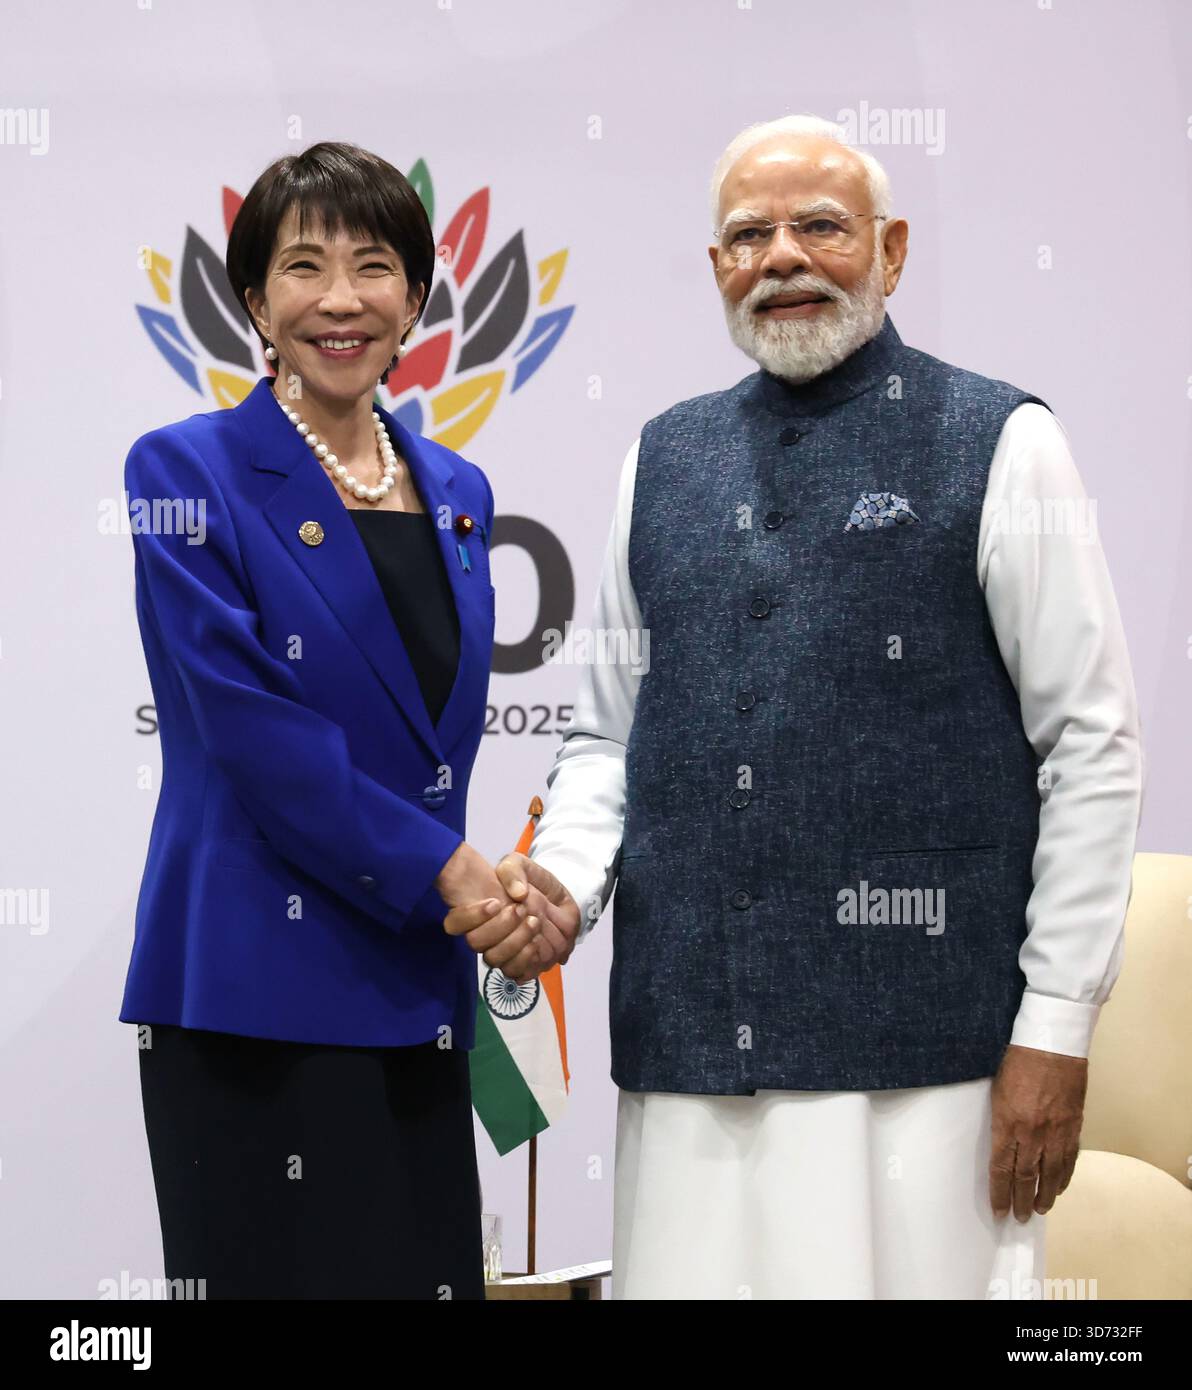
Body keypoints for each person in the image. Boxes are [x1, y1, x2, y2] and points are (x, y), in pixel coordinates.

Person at [449, 114, 1144, 1299]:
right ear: (715, 265)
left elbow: (1090, 745)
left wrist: (1056, 1028)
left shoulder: (1003, 442)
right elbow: (605, 734)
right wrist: (563, 884)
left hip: (927, 1065)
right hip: (687, 1063)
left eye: (819, 225)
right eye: (745, 235)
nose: (781, 257)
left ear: (893, 248)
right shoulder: (658, 458)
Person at [121, 141, 555, 1299]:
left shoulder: (456, 491)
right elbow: (253, 733)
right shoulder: (186, 469)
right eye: (301, 266)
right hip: (256, 987)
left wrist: (486, 889)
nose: (340, 297)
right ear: (256, 302)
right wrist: (453, 871)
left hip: (414, 982)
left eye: (373, 265)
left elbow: (424, 743)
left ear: (413, 296)